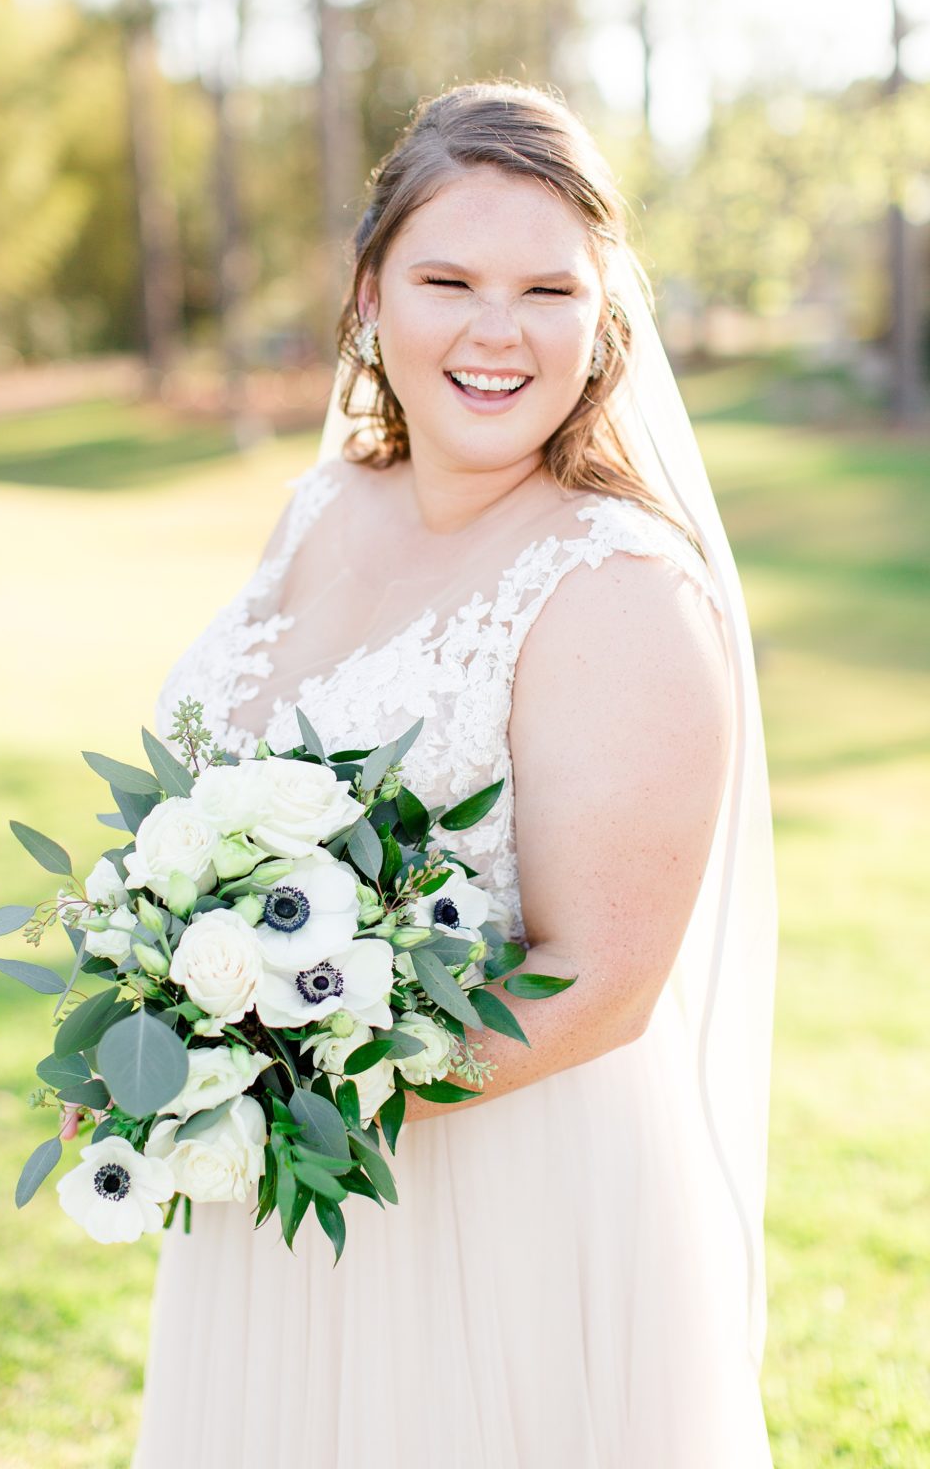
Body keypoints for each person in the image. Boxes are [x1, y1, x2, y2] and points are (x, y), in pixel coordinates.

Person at [132, 80, 778, 1468]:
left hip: (505, 1212)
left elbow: (603, 982)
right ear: (371, 294)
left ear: (605, 314)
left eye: (549, 287)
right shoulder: (322, 506)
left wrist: (268, 1090)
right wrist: (154, 1030)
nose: (499, 329)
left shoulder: (618, 589)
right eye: (449, 278)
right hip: (285, 1201)